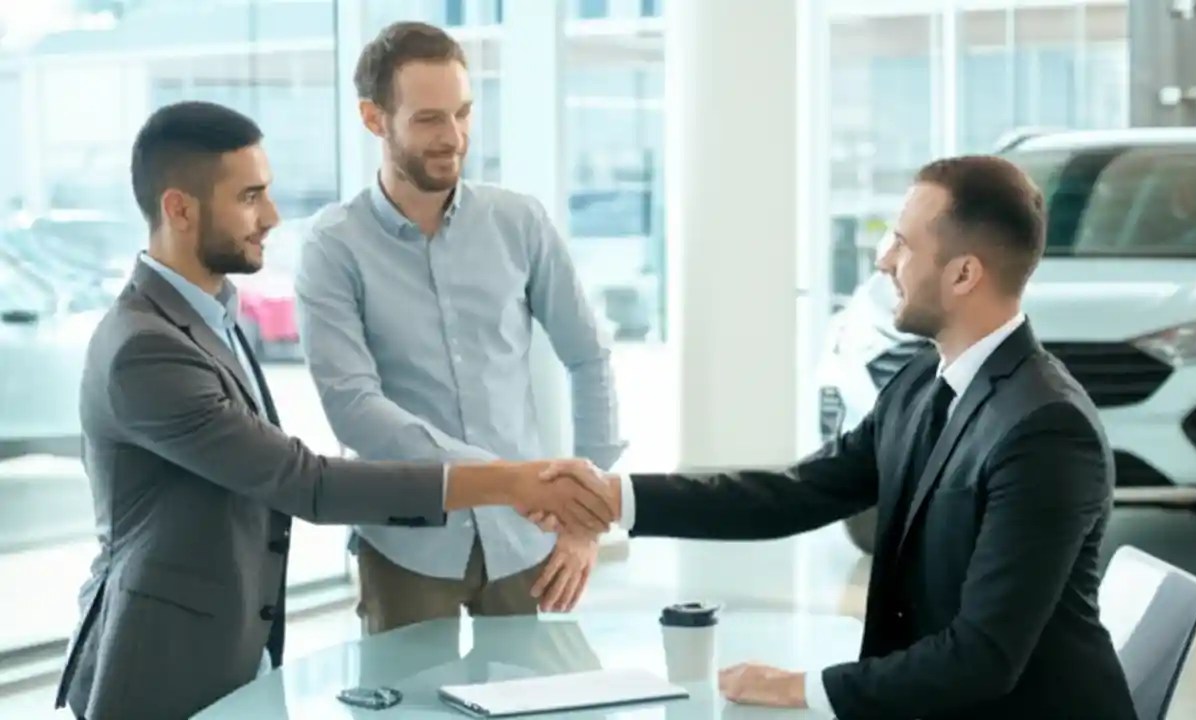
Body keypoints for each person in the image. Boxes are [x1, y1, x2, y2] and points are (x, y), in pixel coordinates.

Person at [53, 100, 612, 720]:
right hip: (162, 671)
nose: (270, 216)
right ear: (180, 209)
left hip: (231, 653)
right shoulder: (145, 349)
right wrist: (510, 478)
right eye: (250, 197)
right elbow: (306, 483)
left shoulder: (210, 314)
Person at [538, 156, 1140, 719]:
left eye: (903, 242)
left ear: (963, 274)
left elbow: (981, 660)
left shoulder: (1045, 431)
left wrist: (800, 687)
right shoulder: (921, 382)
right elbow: (799, 491)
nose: (883, 260)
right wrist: (613, 497)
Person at [294, 21, 625, 633]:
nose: (454, 138)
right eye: (427, 120)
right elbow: (354, 407)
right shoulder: (332, 246)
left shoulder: (518, 222)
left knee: (539, 700)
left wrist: (584, 515)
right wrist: (503, 480)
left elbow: (589, 356)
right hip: (407, 546)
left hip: (529, 539)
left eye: (464, 113)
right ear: (374, 118)